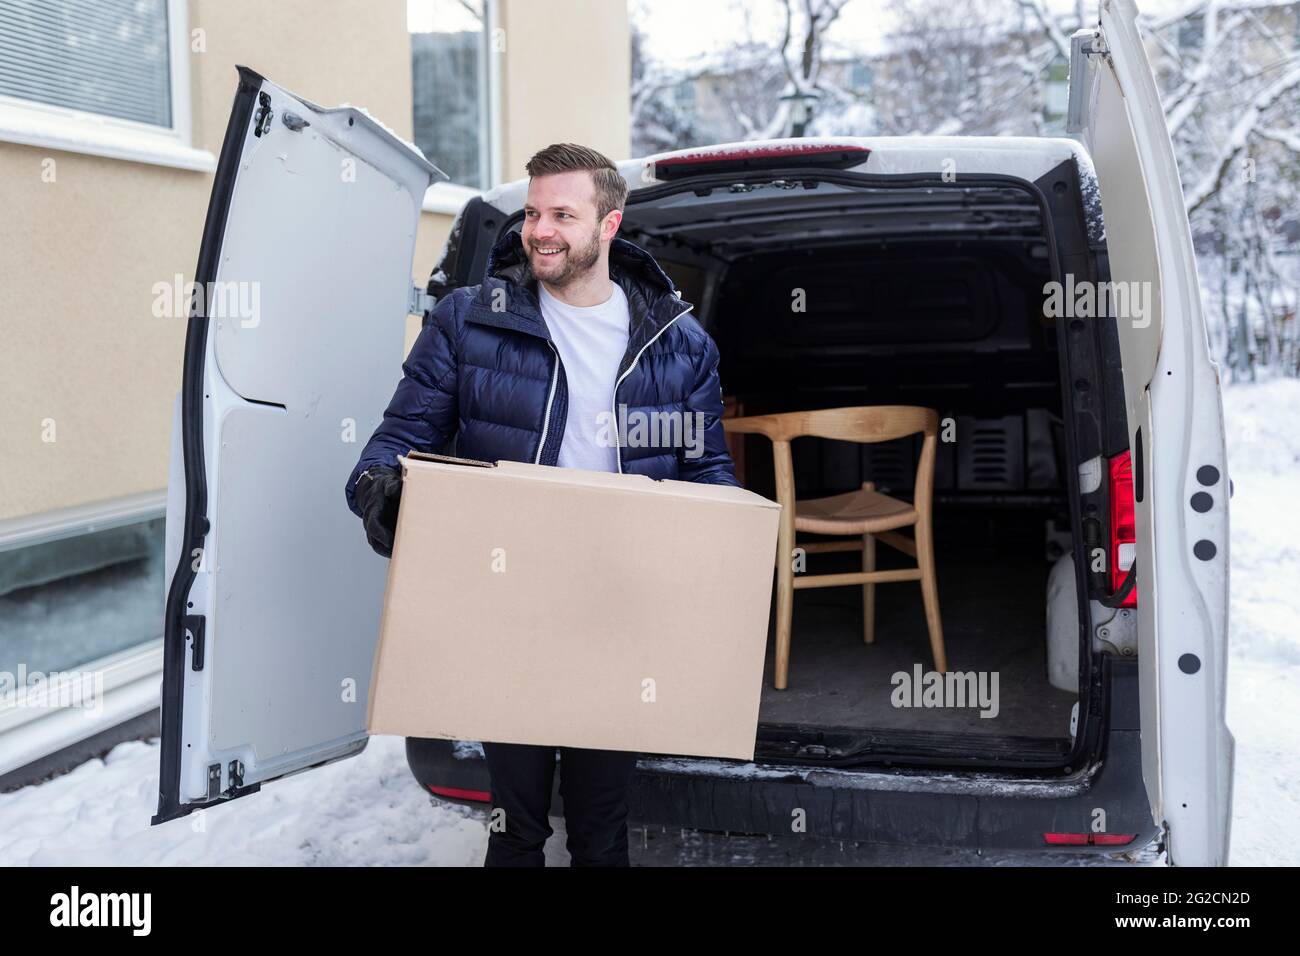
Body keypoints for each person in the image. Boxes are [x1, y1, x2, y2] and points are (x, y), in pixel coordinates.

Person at [344, 143, 739, 866]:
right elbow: (392, 446)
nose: (541, 230)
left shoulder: (678, 345)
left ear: (609, 224)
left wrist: (722, 561)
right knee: (516, 826)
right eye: (532, 212)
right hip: (508, 601)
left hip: (619, 605)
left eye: (563, 213)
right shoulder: (470, 320)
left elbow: (706, 472)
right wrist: (386, 497)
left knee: (600, 828)